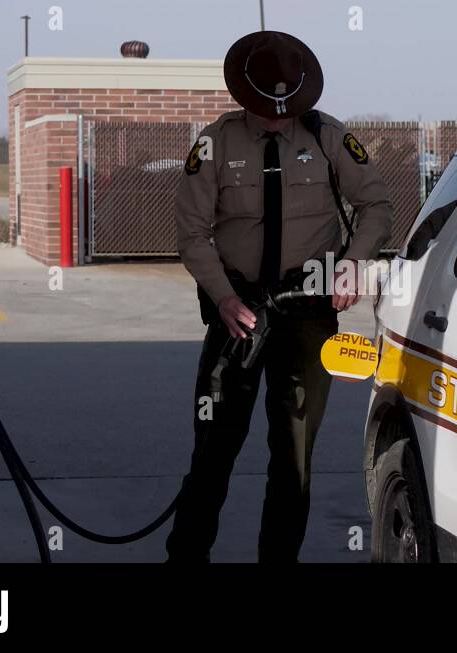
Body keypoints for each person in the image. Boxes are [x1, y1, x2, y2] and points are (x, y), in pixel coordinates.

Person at [167, 31, 394, 562]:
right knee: (212, 451)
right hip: (237, 312)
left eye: (286, 107)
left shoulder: (329, 137)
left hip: (307, 308)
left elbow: (376, 207)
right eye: (266, 109)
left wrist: (352, 265)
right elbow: (191, 235)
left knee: (293, 458)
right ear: (244, 100)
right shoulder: (215, 143)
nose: (276, 118)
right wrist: (223, 298)